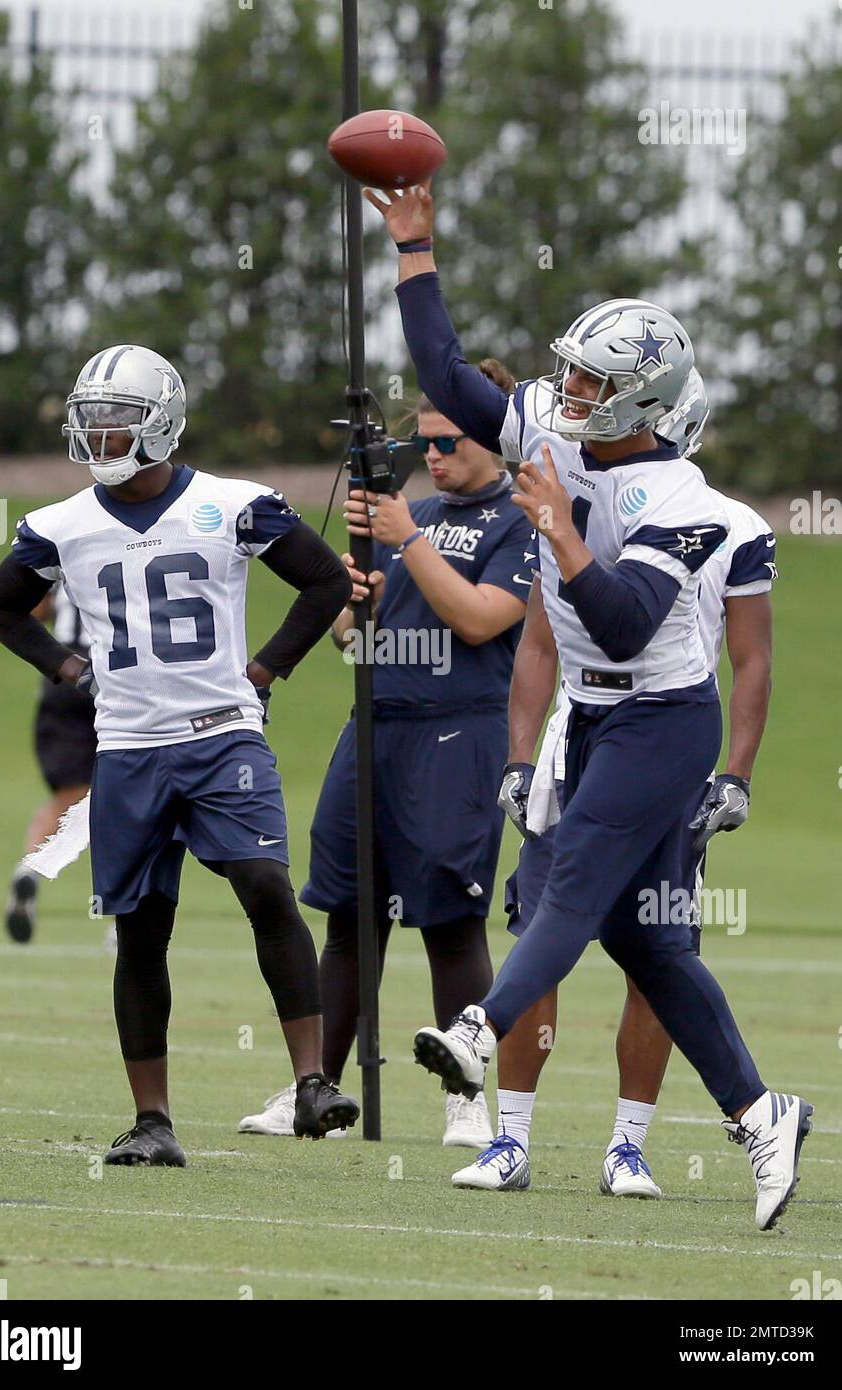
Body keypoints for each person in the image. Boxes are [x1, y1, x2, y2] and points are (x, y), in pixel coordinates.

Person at [365, 179, 812, 1231]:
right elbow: (442, 369)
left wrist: (561, 532)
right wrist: (416, 248)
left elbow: (617, 620)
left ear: (640, 401)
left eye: (588, 379)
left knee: (566, 873)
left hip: (662, 716)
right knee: (653, 944)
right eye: (567, 369)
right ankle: (762, 1112)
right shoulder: (548, 434)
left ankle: (480, 1025)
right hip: (594, 715)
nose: (562, 390)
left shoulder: (686, 504)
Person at [0, 343, 358, 1164]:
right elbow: (2, 611)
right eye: (91, 423)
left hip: (224, 736)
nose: (101, 439)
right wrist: (69, 669)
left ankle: (311, 1082)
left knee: (265, 884)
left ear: (162, 426)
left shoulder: (236, 505)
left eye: (117, 424)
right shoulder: (60, 525)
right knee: (142, 929)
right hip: (127, 748)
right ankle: (154, 1121)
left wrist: (264, 670)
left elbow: (327, 582)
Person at [453, 375, 781, 1195]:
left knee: (646, 940)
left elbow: (749, 659)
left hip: (660, 738)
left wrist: (734, 773)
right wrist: (521, 756)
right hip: (587, 728)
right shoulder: (578, 478)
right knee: (580, 927)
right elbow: (540, 636)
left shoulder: (718, 517)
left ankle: (617, 1135)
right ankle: (514, 1138)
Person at [240, 361, 536, 1147]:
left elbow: (480, 619)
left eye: (448, 443)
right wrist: (354, 602)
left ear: (495, 438)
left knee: (448, 917)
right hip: (375, 723)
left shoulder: (520, 522)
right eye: (424, 444)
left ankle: (465, 1100)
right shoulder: (411, 514)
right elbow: (351, 635)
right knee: (347, 912)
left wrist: (409, 541)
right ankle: (319, 1092)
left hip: (461, 731)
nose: (432, 458)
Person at [4, 584, 96, 943]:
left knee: (67, 796)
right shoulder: (130, 541)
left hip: (65, 676)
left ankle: (29, 870)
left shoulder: (59, 546)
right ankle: (126, 915)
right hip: (118, 679)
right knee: (132, 798)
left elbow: (31, 609)